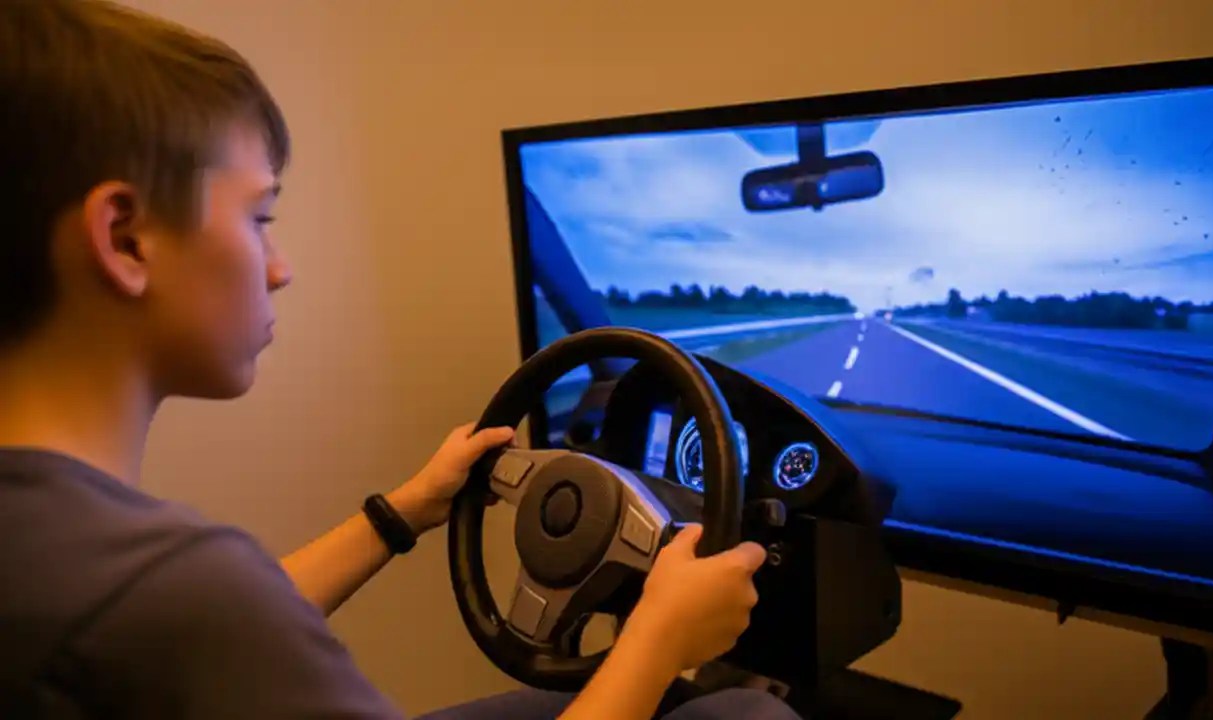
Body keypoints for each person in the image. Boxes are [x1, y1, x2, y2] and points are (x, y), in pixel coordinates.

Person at [0, 2, 800, 719]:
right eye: (258, 217)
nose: (279, 267)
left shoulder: (80, 560)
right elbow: (200, 613)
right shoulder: (171, 581)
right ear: (124, 238)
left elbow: (188, 631)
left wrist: (405, 511)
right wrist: (659, 640)